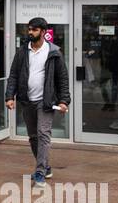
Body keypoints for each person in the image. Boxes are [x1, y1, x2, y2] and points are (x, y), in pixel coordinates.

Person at [5, 17, 70, 186]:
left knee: (43, 134)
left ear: (43, 32)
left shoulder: (54, 52)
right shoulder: (22, 51)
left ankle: (40, 172)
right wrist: (9, 96)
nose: (30, 33)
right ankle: (46, 166)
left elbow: (62, 78)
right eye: (29, 29)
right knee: (33, 137)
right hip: (27, 100)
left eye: (34, 30)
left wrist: (64, 100)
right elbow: (13, 75)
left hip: (45, 101)